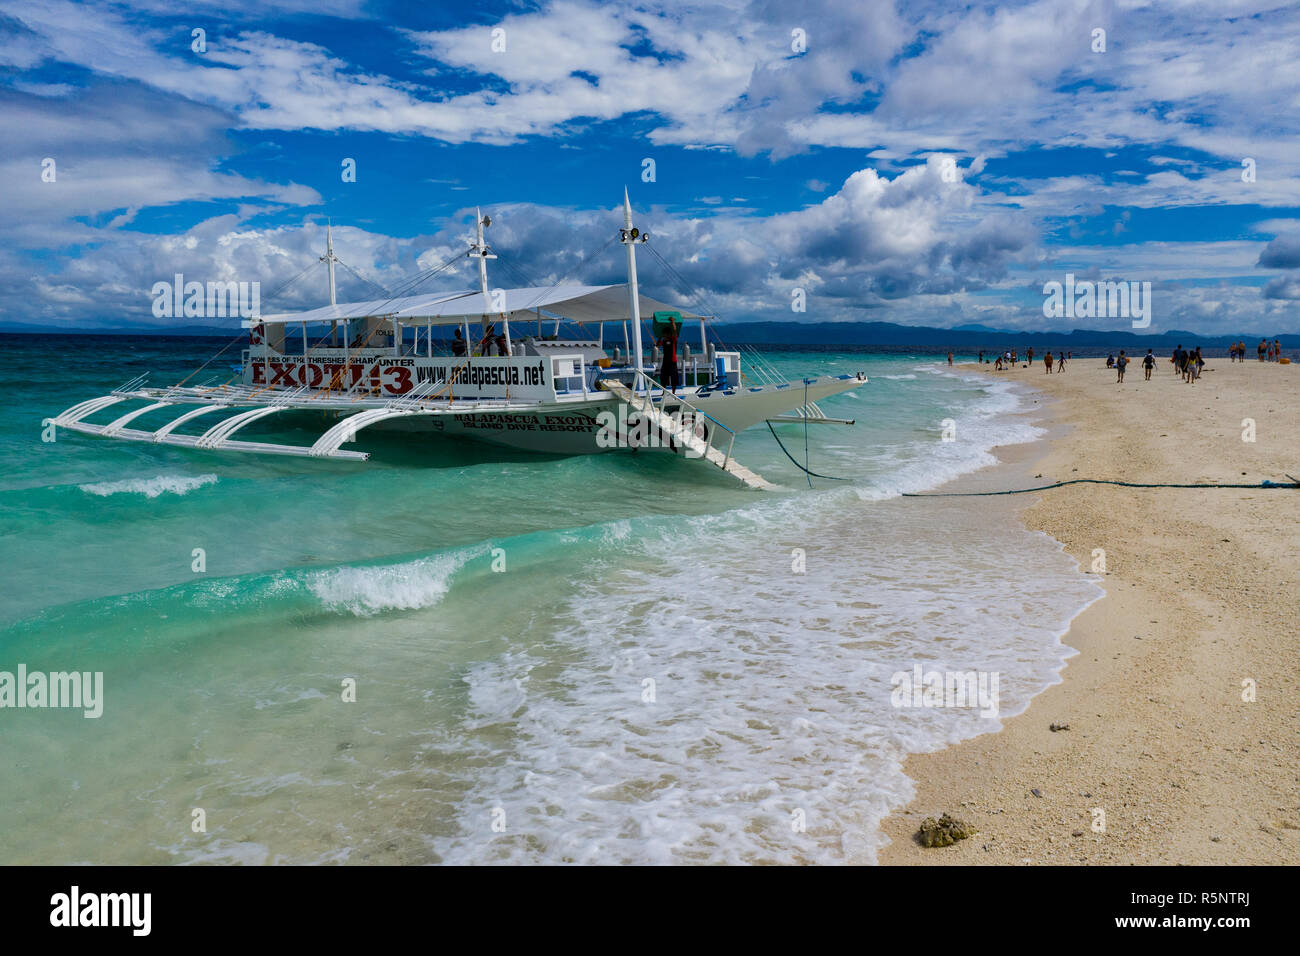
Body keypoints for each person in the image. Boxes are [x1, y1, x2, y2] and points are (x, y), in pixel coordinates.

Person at [657, 321, 680, 391]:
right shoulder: (663, 341)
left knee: (674, 377)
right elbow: (657, 344)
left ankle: (673, 393)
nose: (664, 336)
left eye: (665, 335)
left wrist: (673, 321)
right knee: (663, 377)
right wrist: (660, 337)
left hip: (673, 361)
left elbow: (675, 331)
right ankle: (663, 392)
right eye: (663, 335)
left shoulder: (673, 340)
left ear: (668, 334)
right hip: (665, 362)